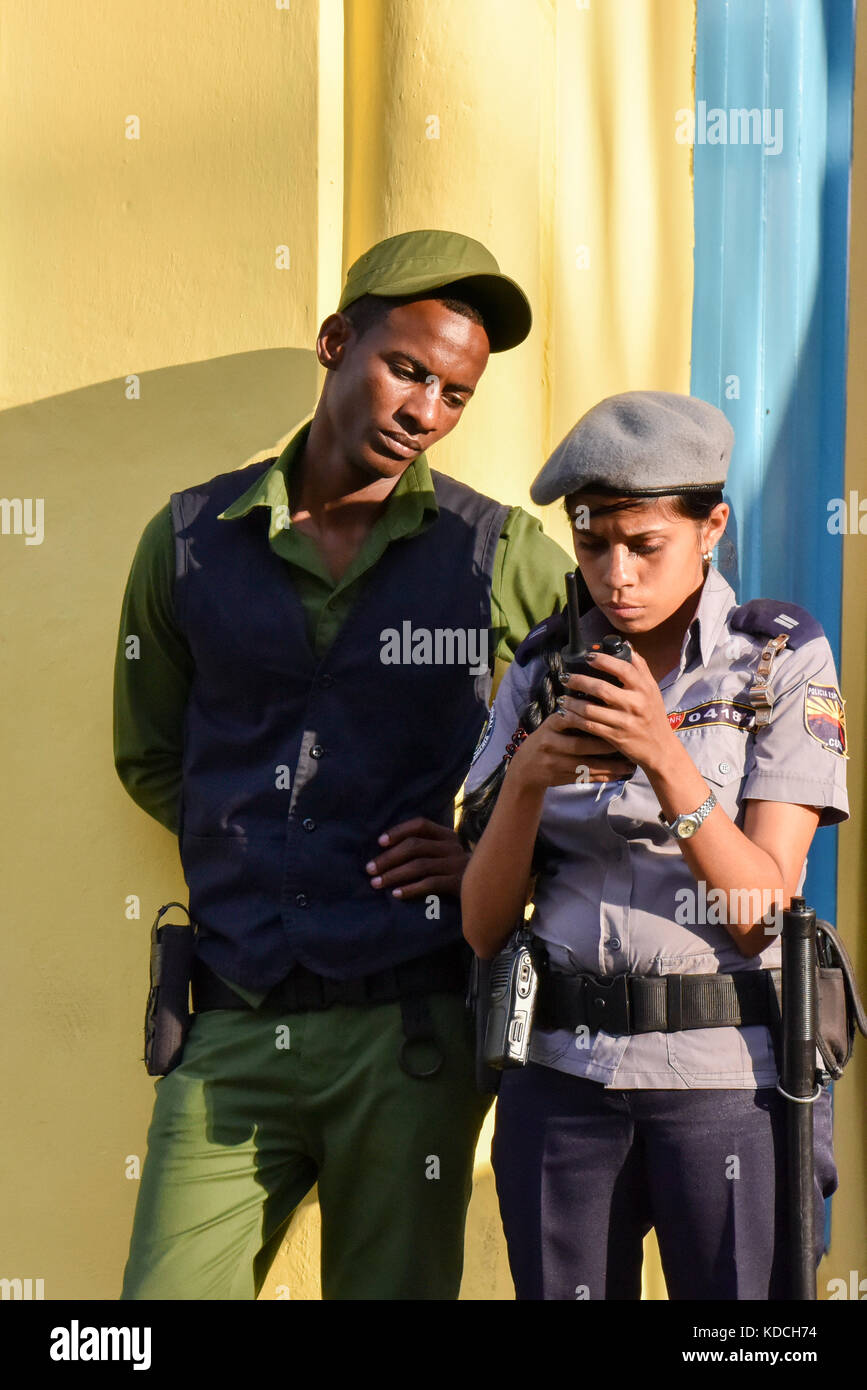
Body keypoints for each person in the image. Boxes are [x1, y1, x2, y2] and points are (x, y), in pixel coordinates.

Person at [114, 228, 574, 1300]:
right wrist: (261, 842)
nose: (424, 410)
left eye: (455, 394)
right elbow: (149, 752)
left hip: (410, 1036)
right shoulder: (187, 538)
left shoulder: (497, 552)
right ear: (334, 342)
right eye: (406, 370)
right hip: (227, 1021)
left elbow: (618, 728)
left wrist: (485, 853)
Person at [459, 390, 849, 1301]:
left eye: (644, 546)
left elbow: (759, 914)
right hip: (562, 1080)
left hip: (726, 1086)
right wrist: (523, 783)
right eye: (592, 544)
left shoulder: (776, 659)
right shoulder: (540, 668)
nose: (615, 575)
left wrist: (664, 759)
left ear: (710, 526)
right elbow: (481, 929)